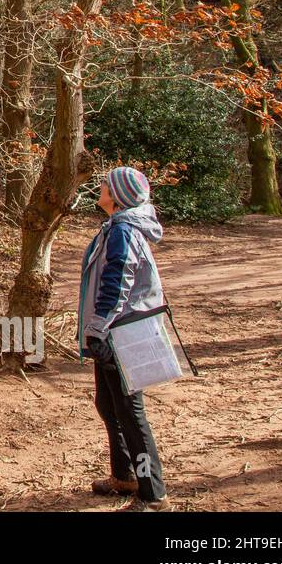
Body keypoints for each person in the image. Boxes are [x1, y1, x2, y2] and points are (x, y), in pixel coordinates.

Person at [78, 165, 171, 511]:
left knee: (131, 414)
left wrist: (97, 328)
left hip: (122, 334)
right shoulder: (117, 227)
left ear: (116, 196)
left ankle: (152, 493)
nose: (99, 186)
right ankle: (125, 475)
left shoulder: (123, 231)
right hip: (114, 332)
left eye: (105, 183)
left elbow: (118, 282)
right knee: (108, 403)